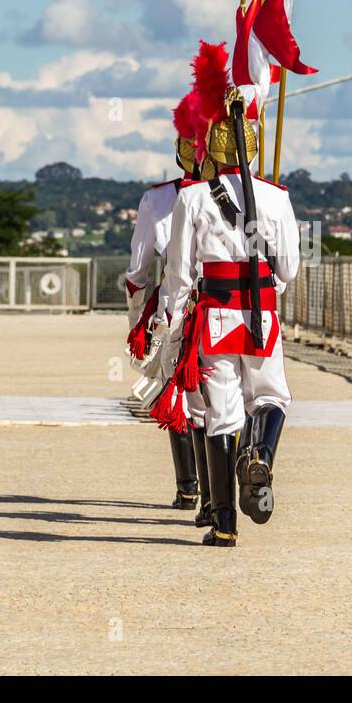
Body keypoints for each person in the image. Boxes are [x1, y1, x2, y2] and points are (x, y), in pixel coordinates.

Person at [151, 46, 301, 548]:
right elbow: (289, 269)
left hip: (215, 316)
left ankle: (223, 524)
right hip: (262, 317)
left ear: (210, 150)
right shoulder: (277, 198)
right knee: (271, 395)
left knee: (221, 412)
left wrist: (170, 319)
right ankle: (261, 454)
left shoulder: (192, 198)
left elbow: (178, 270)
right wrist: (266, 288)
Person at [123, 59, 215, 524]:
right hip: (226, 299)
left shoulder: (157, 198)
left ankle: (189, 488)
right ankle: (213, 487)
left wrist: (137, 315)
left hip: (179, 302)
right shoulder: (248, 195)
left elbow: (139, 268)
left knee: (177, 389)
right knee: (223, 394)